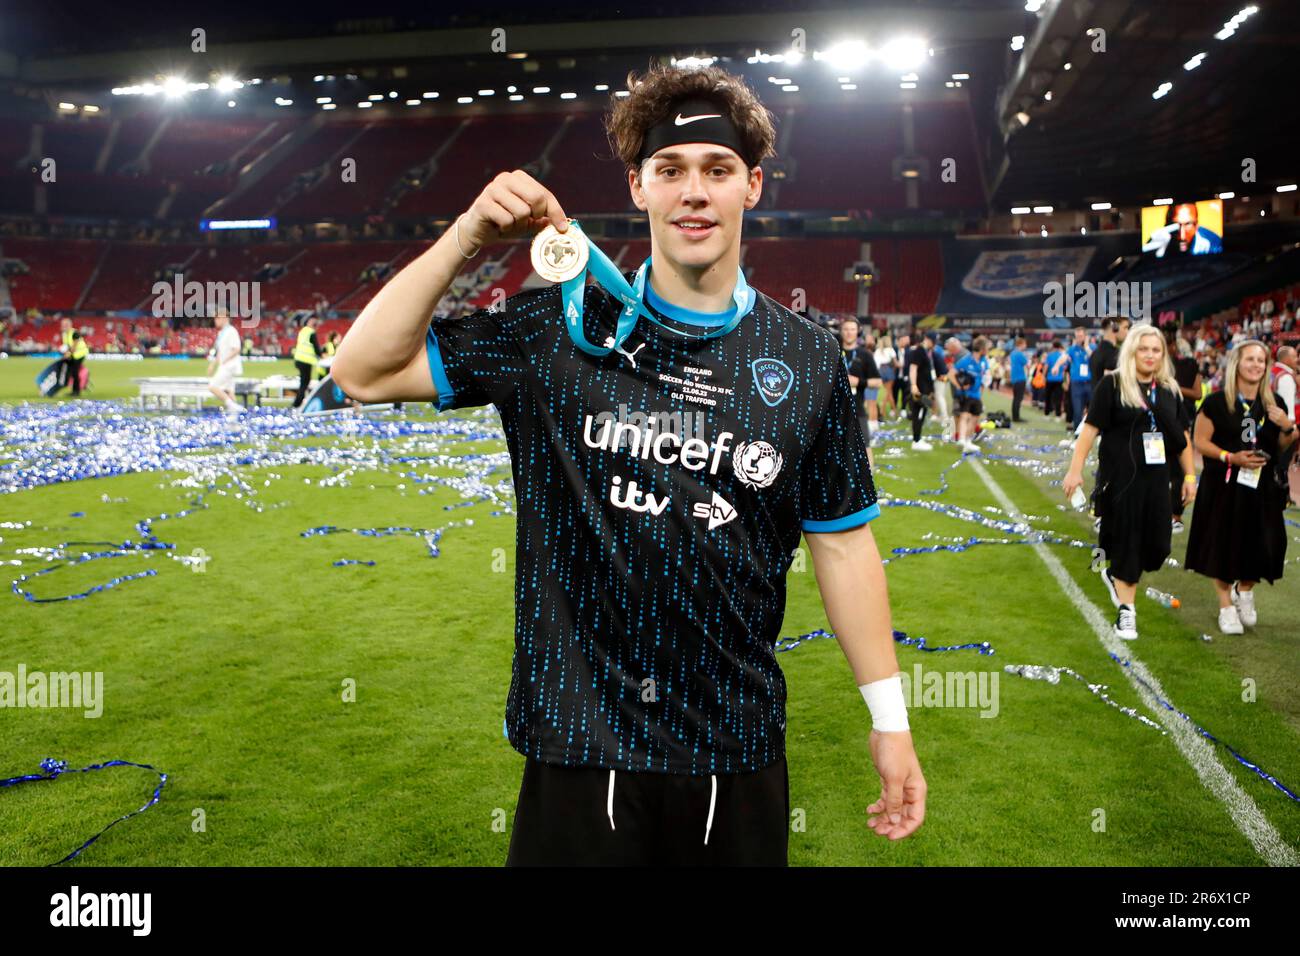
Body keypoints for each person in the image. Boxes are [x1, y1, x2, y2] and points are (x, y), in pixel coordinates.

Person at [331, 64, 926, 865]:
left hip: (735, 751)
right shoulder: (555, 328)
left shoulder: (809, 358)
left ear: (751, 185)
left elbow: (845, 546)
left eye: (717, 171)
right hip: (581, 744)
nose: (694, 192)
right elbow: (361, 371)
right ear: (639, 186)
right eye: (670, 170)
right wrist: (466, 234)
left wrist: (891, 722)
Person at [1063, 325, 1194, 641]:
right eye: (1144, 349)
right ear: (1132, 350)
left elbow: (1183, 438)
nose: (1150, 355)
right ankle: (1127, 613)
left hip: (1158, 481)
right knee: (1128, 544)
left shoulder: (1169, 390)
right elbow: (1091, 430)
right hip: (1120, 480)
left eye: (1156, 349)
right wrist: (1074, 470)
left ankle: (1113, 572)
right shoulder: (1113, 385)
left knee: (1158, 547)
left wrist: (1189, 476)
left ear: (1163, 354)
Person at [1184, 341, 1296, 634]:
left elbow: (1283, 445)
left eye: (1261, 360)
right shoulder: (1217, 402)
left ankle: (1244, 589)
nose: (1256, 365)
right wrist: (1230, 457)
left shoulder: (1274, 404)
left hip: (1263, 487)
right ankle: (1225, 606)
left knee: (1269, 544)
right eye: (1250, 359)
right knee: (1222, 545)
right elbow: (1200, 441)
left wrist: (1287, 427)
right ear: (1237, 362)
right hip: (1224, 485)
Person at [1168, 330, 1201, 533]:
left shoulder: (1187, 366)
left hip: (1181, 416)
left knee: (1177, 468)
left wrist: (1174, 388)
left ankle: (1176, 516)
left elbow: (1197, 393)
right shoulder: (1162, 366)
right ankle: (1173, 516)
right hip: (1175, 415)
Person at [839, 317, 881, 459]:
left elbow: (877, 382)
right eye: (846, 329)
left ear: (858, 332)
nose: (849, 333)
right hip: (834, 409)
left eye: (852, 329)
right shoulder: (834, 352)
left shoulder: (865, 355)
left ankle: (868, 481)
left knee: (864, 447)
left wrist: (859, 382)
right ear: (841, 331)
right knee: (834, 448)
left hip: (857, 409)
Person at [948, 335, 988, 453]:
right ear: (982, 348)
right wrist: (959, 386)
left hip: (976, 395)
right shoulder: (966, 360)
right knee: (965, 416)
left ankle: (967, 441)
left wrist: (981, 392)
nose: (987, 350)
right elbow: (951, 374)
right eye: (986, 348)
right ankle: (961, 440)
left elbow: (984, 378)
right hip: (965, 394)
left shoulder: (984, 361)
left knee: (974, 418)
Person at [206, 308, 244, 415]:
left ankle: (231, 406)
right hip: (226, 365)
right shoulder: (222, 333)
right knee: (229, 390)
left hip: (229, 365)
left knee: (212, 386)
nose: (215, 321)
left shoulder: (231, 331)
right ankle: (235, 413)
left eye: (217, 318)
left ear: (224, 318)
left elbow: (236, 349)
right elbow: (219, 352)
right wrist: (213, 364)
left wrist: (224, 360)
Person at [905, 331, 936, 450]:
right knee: (918, 414)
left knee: (921, 414)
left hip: (924, 389)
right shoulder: (919, 351)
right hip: (919, 389)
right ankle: (916, 440)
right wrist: (913, 385)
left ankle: (918, 438)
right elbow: (913, 368)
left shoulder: (924, 351)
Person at [291, 315, 322, 409]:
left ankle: (299, 401)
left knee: (303, 382)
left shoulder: (303, 331)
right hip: (306, 361)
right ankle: (297, 403)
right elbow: (317, 349)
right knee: (305, 382)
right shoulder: (311, 333)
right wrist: (321, 355)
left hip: (298, 359)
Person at [1066, 326, 1093, 431]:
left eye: (1081, 336)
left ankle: (1093, 433)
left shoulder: (1092, 347)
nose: (1079, 338)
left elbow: (1095, 358)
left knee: (1093, 410)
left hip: (1090, 383)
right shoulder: (1072, 349)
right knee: (1077, 411)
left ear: (1085, 336)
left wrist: (1086, 346)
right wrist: (1056, 366)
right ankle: (1077, 433)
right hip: (1077, 384)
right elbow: (1064, 357)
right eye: (1077, 336)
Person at [1089, 316, 1129, 384]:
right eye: (1125, 327)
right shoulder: (1114, 355)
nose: (1127, 332)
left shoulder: (1095, 353)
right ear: (1115, 328)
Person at [58, 317, 89, 398]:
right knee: (71, 372)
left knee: (74, 372)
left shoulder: (74, 333)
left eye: (66, 324)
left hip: (80, 354)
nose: (64, 326)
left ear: (70, 325)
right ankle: (74, 390)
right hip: (73, 354)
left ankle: (76, 391)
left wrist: (67, 354)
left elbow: (74, 346)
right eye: (63, 325)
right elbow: (67, 346)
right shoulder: (64, 334)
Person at [874, 335, 898, 420]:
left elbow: (876, 365)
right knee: (887, 392)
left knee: (889, 392)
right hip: (888, 370)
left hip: (880, 371)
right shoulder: (891, 350)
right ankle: (882, 411)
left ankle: (895, 412)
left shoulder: (877, 351)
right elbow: (896, 363)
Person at [1044, 340, 1068, 421]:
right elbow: (1065, 368)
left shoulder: (1049, 355)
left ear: (1053, 346)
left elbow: (1046, 367)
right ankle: (1058, 415)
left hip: (1050, 379)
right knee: (1058, 397)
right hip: (1059, 379)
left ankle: (1047, 414)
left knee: (1048, 397)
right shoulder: (1062, 356)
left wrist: (1044, 376)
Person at [1008, 336, 1030, 422]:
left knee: (1015, 398)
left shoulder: (1013, 353)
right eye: (1025, 344)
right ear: (1021, 344)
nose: (1025, 346)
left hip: (1014, 378)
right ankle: (1016, 418)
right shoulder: (1020, 354)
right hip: (1020, 378)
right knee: (1018, 399)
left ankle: (1015, 416)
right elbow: (1027, 365)